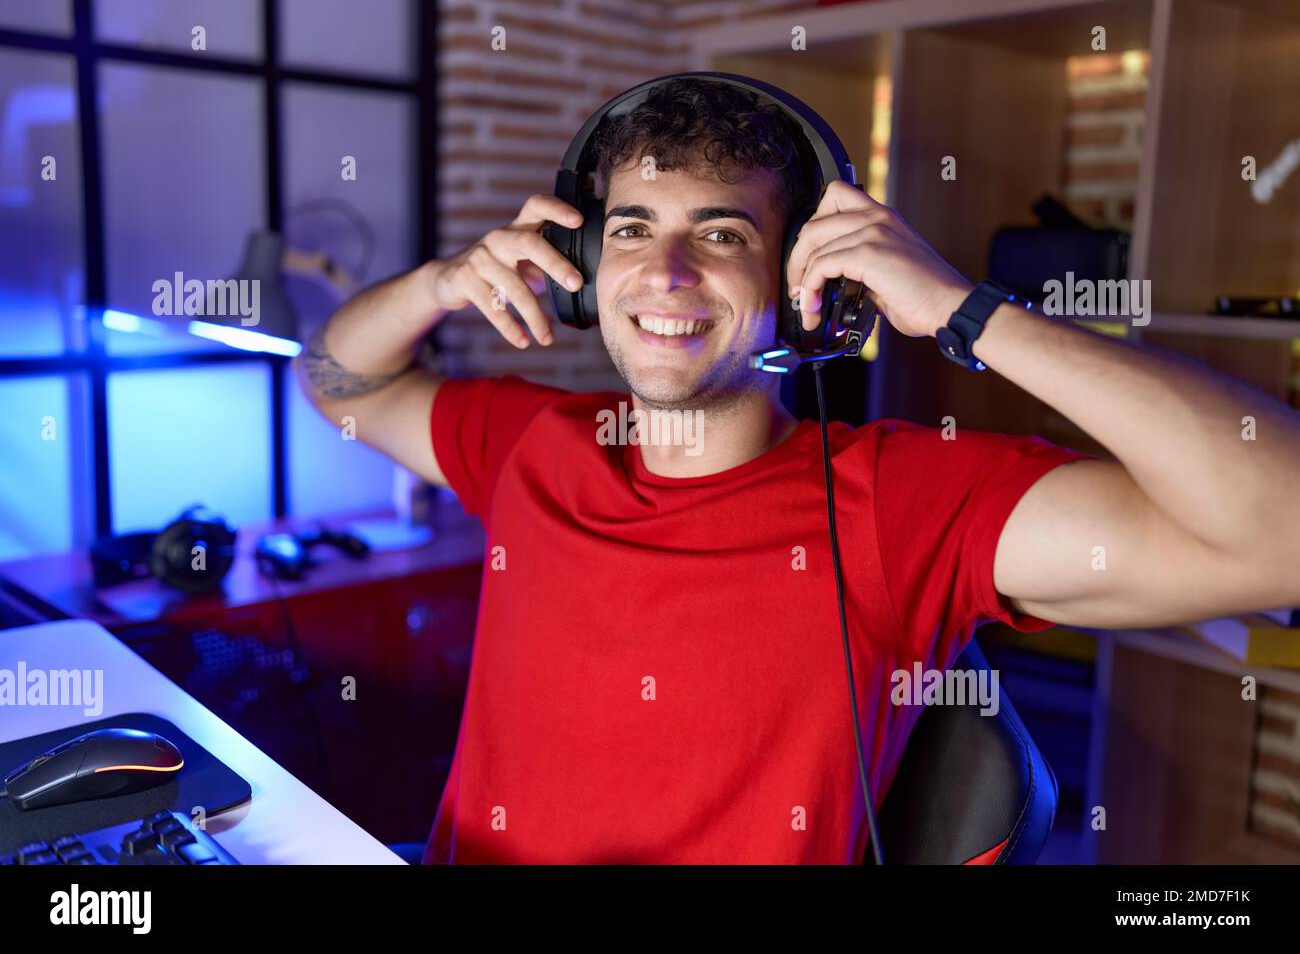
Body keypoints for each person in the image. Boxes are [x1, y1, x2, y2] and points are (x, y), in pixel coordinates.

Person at [292, 77, 1300, 864]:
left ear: (805, 290)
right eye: (634, 229)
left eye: (721, 234)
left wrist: (964, 309)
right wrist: (432, 284)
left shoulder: (904, 501)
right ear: (587, 268)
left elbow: (1279, 533)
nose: (665, 271)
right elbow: (337, 380)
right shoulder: (533, 442)